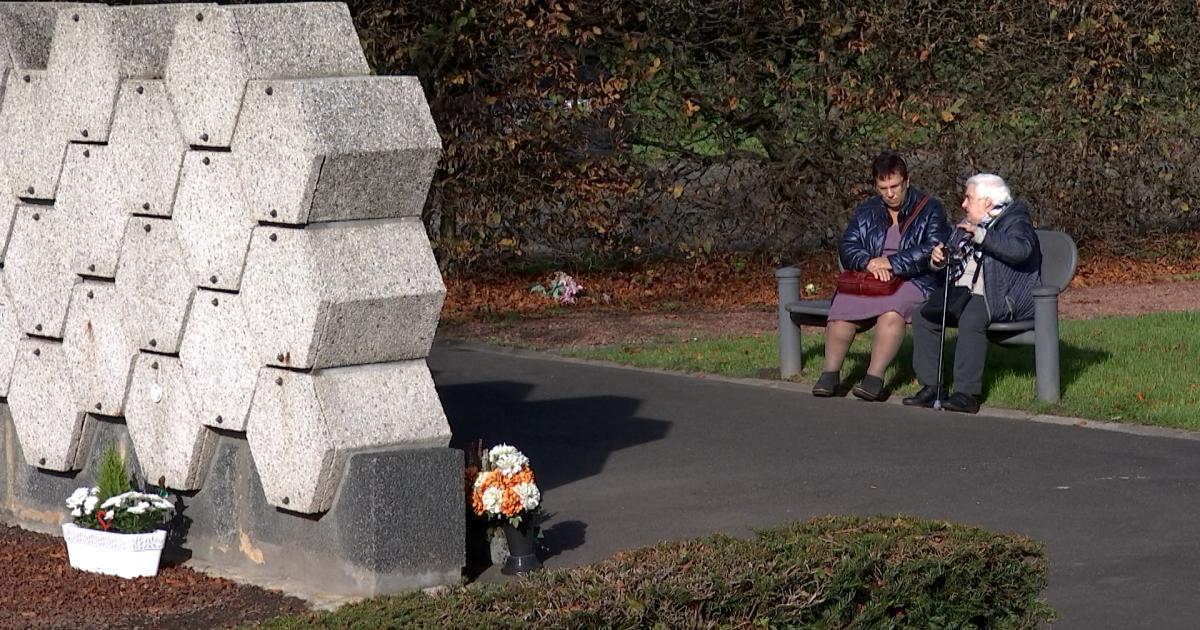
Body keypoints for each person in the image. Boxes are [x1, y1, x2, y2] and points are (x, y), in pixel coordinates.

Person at [813, 152, 950, 400]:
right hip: (872, 277)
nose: (890, 194)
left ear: (907, 180)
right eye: (883, 188)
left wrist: (892, 263)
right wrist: (868, 263)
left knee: (892, 311)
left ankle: (874, 378)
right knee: (843, 306)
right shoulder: (867, 210)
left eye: (895, 186)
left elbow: (934, 246)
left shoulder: (931, 209)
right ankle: (830, 374)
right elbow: (848, 246)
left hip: (914, 279)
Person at [903, 173, 1041, 413]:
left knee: (971, 316)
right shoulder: (968, 222)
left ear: (987, 202)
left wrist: (982, 235)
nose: (963, 204)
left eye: (968, 198)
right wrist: (939, 260)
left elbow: (1021, 250)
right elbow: (952, 257)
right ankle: (931, 387)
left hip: (999, 293)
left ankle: (966, 393)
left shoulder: (1016, 219)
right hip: (962, 291)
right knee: (923, 316)